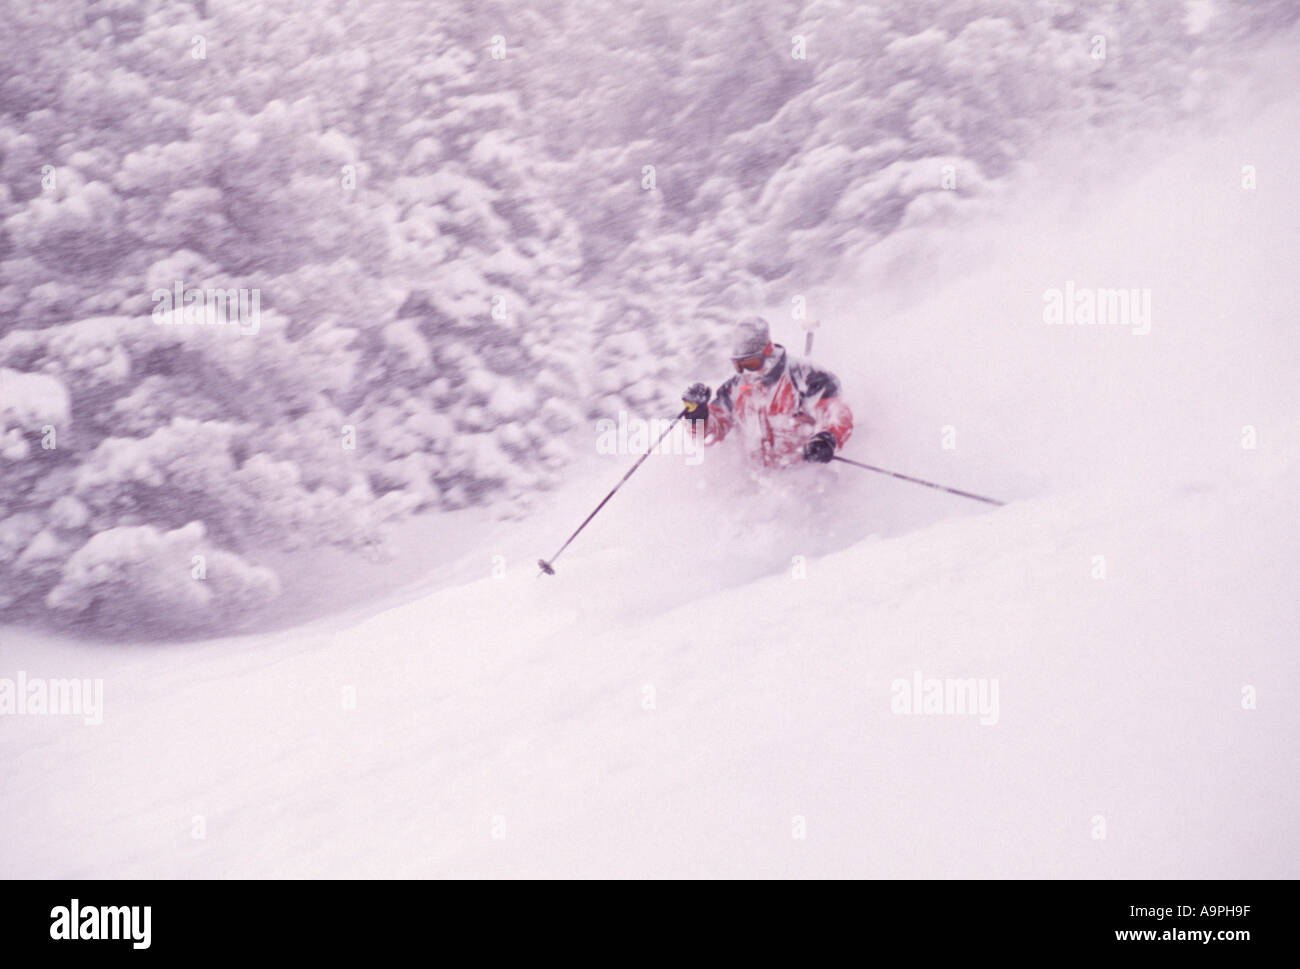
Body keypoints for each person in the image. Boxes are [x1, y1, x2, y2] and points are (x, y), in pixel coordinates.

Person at [681, 316, 853, 469]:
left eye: (752, 363)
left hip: (805, 476)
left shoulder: (806, 376)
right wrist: (697, 415)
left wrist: (827, 439)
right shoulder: (734, 389)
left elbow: (837, 413)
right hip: (761, 485)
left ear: (768, 353)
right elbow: (709, 435)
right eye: (739, 366)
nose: (747, 372)